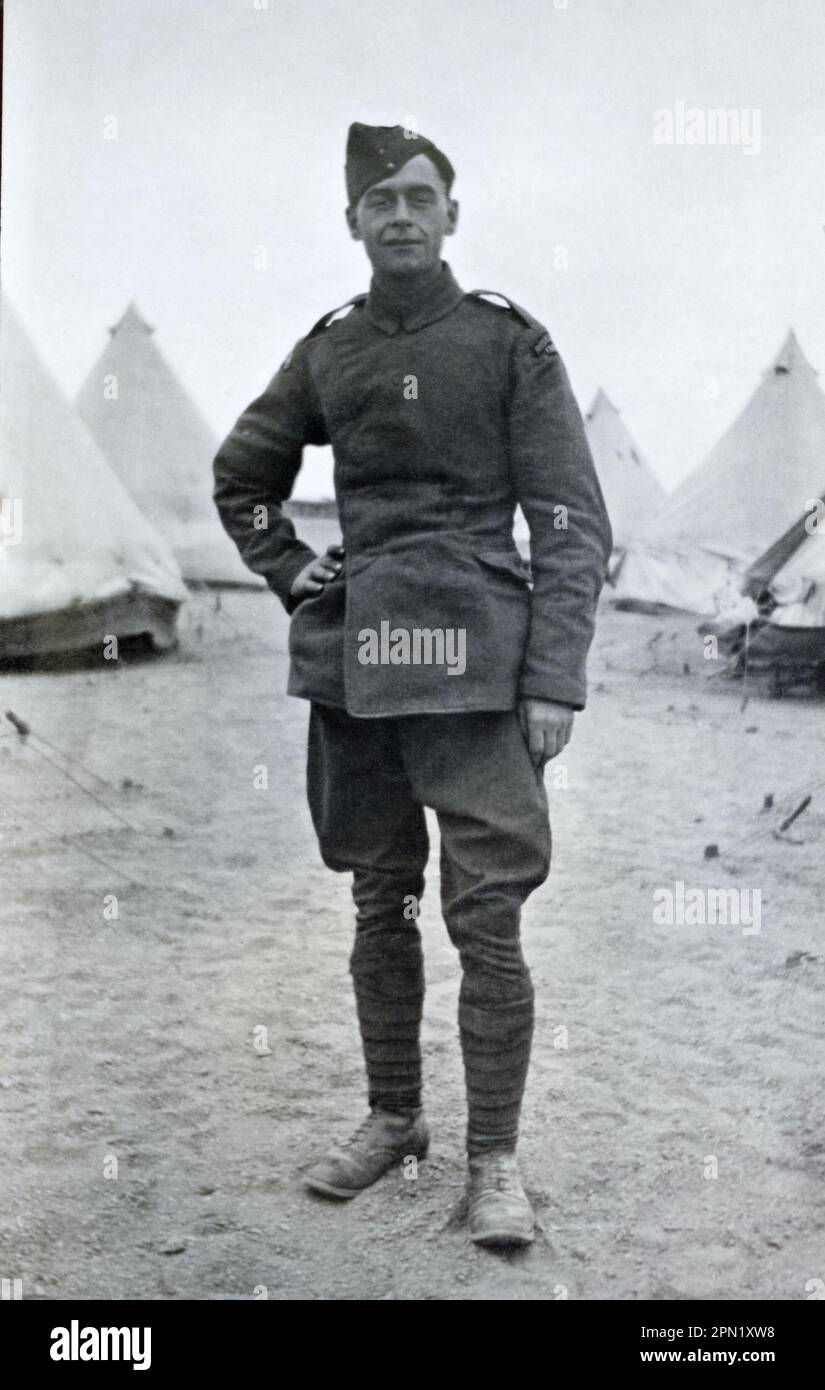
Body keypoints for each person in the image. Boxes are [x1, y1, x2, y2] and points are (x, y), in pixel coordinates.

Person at [213, 122, 612, 1247]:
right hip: (360, 671)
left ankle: (494, 1161)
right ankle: (395, 1116)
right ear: (352, 221)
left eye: (419, 195)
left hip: (481, 669)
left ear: (451, 213)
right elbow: (243, 476)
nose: (400, 214)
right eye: (378, 198)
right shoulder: (327, 352)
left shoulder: (507, 343)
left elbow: (572, 522)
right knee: (377, 900)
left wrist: (555, 681)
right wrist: (294, 570)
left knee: (486, 921)